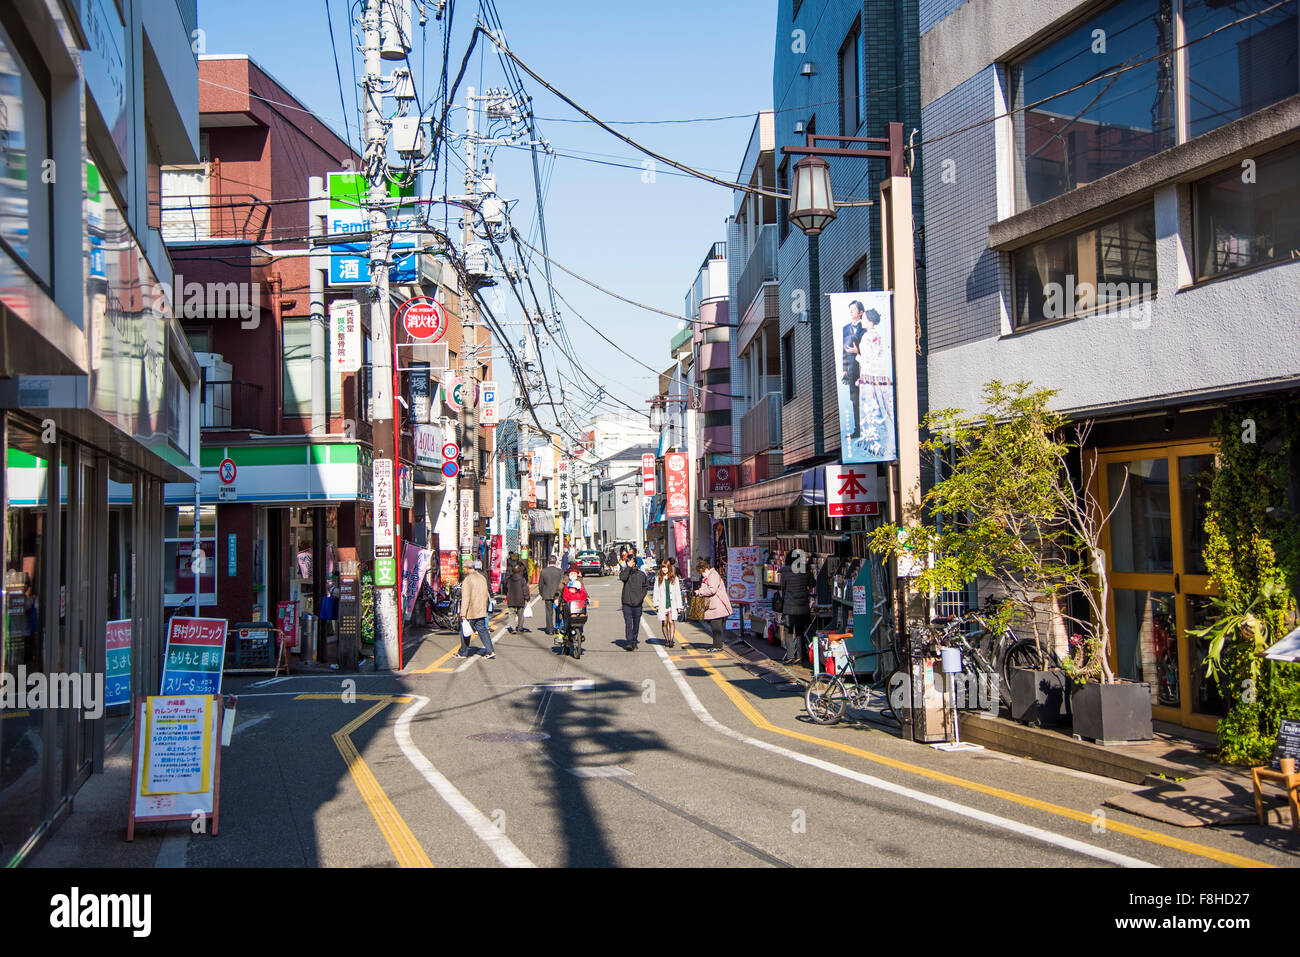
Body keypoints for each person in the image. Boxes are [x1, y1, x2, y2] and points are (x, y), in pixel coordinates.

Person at [777, 549, 813, 665]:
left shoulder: (785, 572)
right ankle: (801, 656)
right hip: (803, 606)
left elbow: (783, 588)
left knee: (788, 631)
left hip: (789, 606)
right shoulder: (806, 571)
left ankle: (790, 656)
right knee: (800, 631)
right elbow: (813, 583)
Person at [457, 560, 496, 659]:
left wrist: (463, 612)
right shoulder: (481, 577)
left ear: (466, 568)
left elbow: (466, 597)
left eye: (463, 568)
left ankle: (463, 652)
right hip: (481, 609)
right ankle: (490, 651)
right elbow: (486, 593)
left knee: (465, 631)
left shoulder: (468, 579)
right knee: (482, 630)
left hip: (471, 610)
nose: (463, 570)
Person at [694, 557, 733, 652]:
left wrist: (700, 592)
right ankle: (717, 645)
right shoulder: (712, 575)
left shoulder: (713, 576)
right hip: (716, 605)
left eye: (701, 572)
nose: (702, 574)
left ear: (705, 569)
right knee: (716, 627)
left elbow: (712, 589)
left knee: (716, 627)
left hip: (718, 605)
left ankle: (718, 646)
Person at [841, 299, 867, 441]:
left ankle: (867, 428)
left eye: (854, 309)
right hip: (852, 368)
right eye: (850, 309)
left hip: (864, 368)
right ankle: (858, 430)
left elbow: (871, 350)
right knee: (855, 400)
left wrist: (859, 351)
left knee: (867, 399)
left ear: (861, 312)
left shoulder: (866, 327)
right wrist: (844, 369)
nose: (851, 312)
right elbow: (843, 349)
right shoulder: (846, 328)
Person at [619, 549, 650, 651]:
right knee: (628, 622)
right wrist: (628, 568)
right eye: (628, 562)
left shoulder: (641, 575)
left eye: (632, 562)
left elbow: (645, 586)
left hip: (638, 602)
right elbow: (623, 578)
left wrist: (641, 597)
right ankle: (629, 641)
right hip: (627, 602)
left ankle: (634, 640)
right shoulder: (625, 572)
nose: (630, 563)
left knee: (636, 623)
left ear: (636, 563)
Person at [652, 558, 683, 648]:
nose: (664, 569)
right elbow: (656, 591)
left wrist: (679, 606)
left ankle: (671, 639)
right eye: (663, 567)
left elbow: (677, 592)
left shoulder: (674, 578)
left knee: (671, 621)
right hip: (663, 603)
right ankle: (666, 639)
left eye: (666, 567)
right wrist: (656, 604)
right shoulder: (658, 578)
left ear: (669, 568)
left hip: (672, 603)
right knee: (664, 623)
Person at [558, 567, 590, 647]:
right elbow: (562, 593)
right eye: (571, 573)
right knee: (564, 622)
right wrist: (558, 598)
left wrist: (587, 599)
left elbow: (584, 593)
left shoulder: (579, 583)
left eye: (575, 573)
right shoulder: (565, 585)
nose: (573, 575)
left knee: (580, 620)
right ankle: (561, 634)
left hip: (578, 609)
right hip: (567, 608)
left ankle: (580, 633)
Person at [503, 558, 531, 633]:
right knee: (520, 613)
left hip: (511, 598)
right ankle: (520, 627)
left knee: (511, 613)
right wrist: (527, 598)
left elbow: (506, 587)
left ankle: (512, 628)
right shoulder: (522, 580)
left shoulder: (509, 579)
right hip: (520, 599)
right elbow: (525, 590)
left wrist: (507, 594)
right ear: (520, 571)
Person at [539, 554, 563, 636]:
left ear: (548, 562)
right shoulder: (560, 571)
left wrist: (542, 593)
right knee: (559, 611)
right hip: (558, 595)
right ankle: (558, 628)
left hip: (547, 594)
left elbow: (541, 584)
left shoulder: (543, 571)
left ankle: (549, 629)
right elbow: (562, 584)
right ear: (555, 562)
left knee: (549, 612)